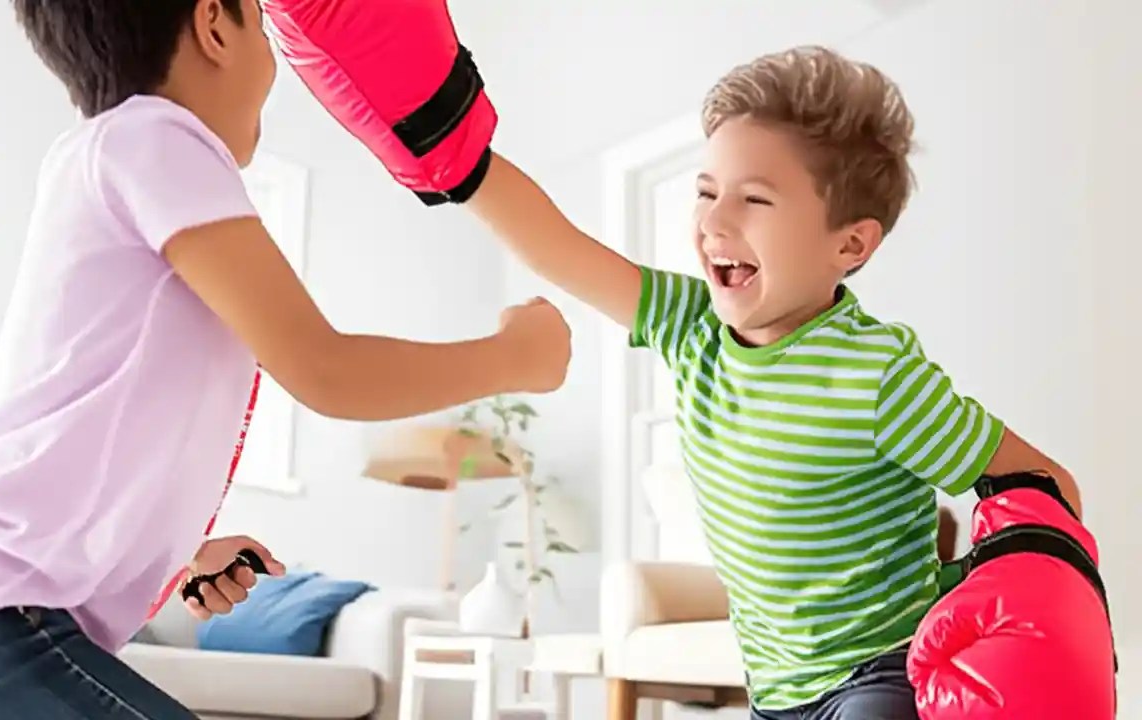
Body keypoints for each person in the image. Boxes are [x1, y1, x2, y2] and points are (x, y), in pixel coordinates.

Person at [0, 0, 569, 717]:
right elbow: (325, 368)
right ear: (213, 25)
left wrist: (181, 556)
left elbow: (95, 423)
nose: (273, 61)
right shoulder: (154, 135)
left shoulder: (108, 153)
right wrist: (514, 357)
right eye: (262, 26)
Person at [464, 47, 1082, 718]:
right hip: (776, 688)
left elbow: (1043, 484)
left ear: (850, 246)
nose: (714, 221)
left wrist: (998, 606)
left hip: (887, 671)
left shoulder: (877, 375)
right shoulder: (688, 326)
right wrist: (442, 143)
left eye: (754, 199)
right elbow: (557, 245)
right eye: (705, 192)